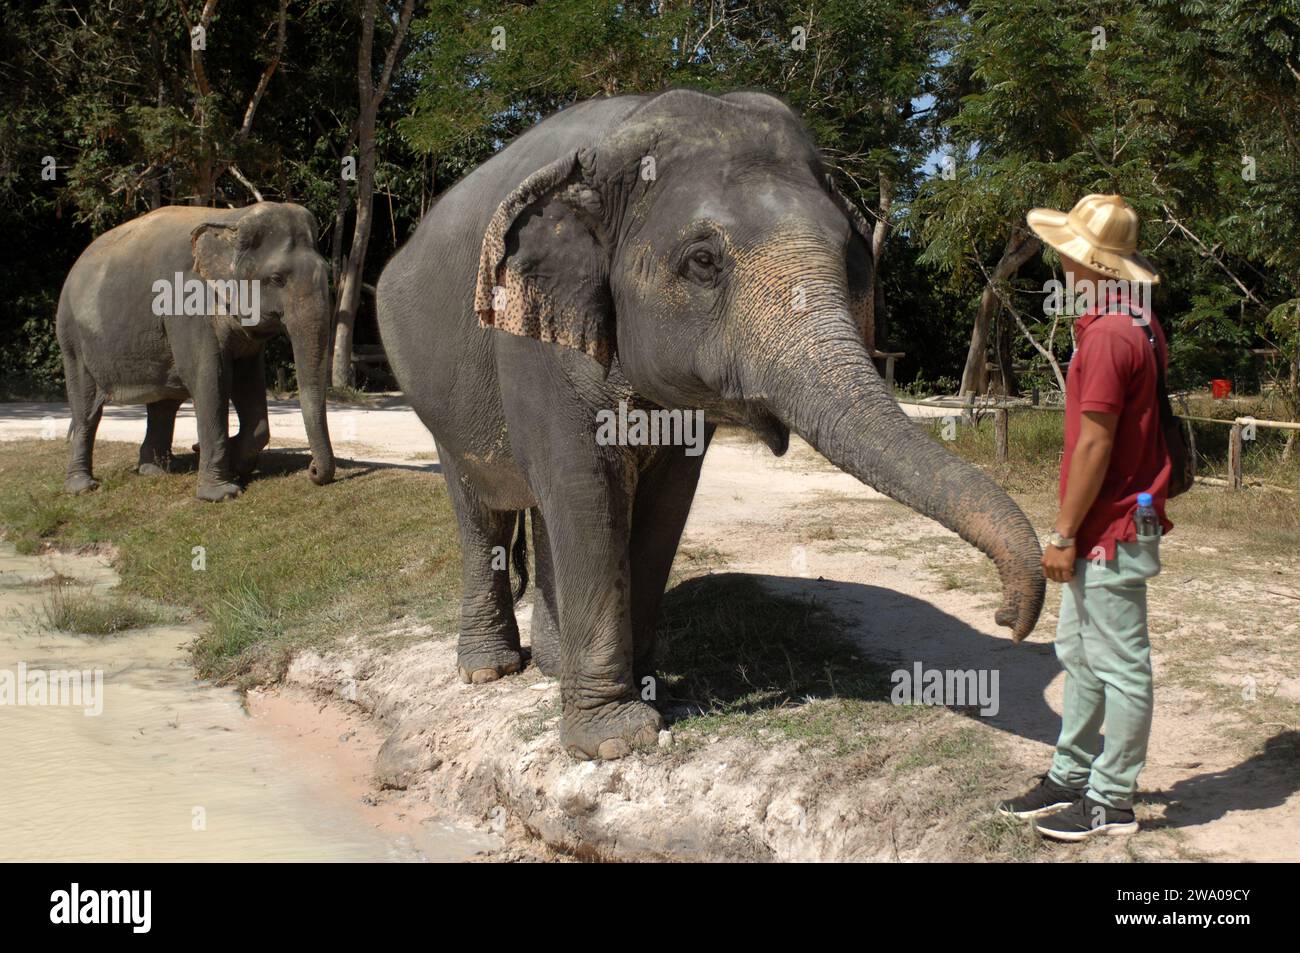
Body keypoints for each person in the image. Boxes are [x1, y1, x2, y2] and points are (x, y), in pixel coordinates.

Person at [997, 194, 1173, 841]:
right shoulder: (1135, 322)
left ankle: (1112, 799)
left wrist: (1064, 533)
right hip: (1114, 523)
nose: (1059, 261)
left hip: (1111, 528)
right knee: (1077, 650)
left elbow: (1096, 444)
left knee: (1122, 664)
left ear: (1089, 262)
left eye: (1068, 252)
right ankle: (1071, 775)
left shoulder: (1108, 338)